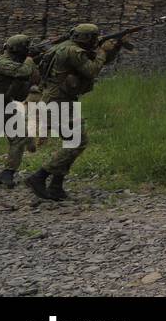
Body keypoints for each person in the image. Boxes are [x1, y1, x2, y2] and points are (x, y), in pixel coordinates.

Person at [24, 25, 122, 201]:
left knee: (72, 142)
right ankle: (39, 177)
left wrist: (114, 48)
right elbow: (92, 70)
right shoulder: (73, 51)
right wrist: (102, 51)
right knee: (77, 142)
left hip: (56, 100)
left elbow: (96, 62)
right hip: (59, 102)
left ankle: (56, 186)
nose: (95, 41)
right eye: (94, 38)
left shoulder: (65, 47)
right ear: (88, 38)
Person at [0, 34, 39, 188]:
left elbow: (29, 82)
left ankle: (7, 173)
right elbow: (24, 71)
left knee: (20, 138)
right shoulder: (2, 63)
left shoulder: (15, 62)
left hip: (5, 105)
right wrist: (30, 60)